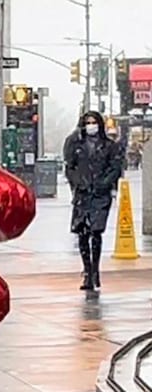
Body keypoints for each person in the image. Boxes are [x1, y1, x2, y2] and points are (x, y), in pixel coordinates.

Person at [63, 111, 123, 292]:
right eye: (87, 122)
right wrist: (77, 182)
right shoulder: (76, 145)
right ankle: (87, 270)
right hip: (82, 194)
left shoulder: (109, 146)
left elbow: (115, 167)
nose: (91, 126)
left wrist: (103, 184)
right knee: (82, 232)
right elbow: (70, 166)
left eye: (93, 122)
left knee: (95, 232)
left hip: (100, 195)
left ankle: (95, 269)